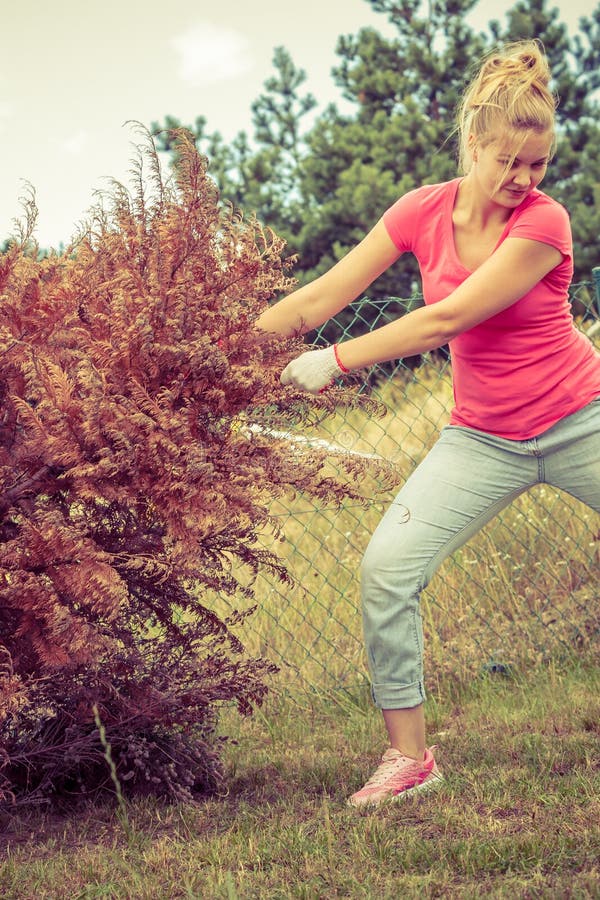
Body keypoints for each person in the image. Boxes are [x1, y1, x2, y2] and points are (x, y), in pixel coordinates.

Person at [254, 39, 600, 808]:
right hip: (483, 437)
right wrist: (229, 350)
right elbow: (319, 298)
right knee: (388, 569)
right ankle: (410, 760)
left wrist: (335, 362)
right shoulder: (420, 211)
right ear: (473, 143)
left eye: (536, 164)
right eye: (507, 160)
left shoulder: (546, 224)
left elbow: (446, 317)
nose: (522, 179)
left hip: (583, 418)